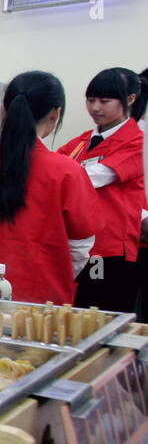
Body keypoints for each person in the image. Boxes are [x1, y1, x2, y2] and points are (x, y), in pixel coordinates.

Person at [0, 71, 100, 305]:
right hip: (40, 305)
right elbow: (80, 247)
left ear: (3, 111)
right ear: (55, 114)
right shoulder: (67, 172)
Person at [57, 67, 146, 313]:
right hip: (78, 245)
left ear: (130, 100)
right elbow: (52, 168)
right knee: (76, 315)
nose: (95, 107)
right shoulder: (82, 141)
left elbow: (91, 177)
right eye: (90, 100)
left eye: (104, 101)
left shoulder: (137, 142)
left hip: (109, 249)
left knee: (102, 319)